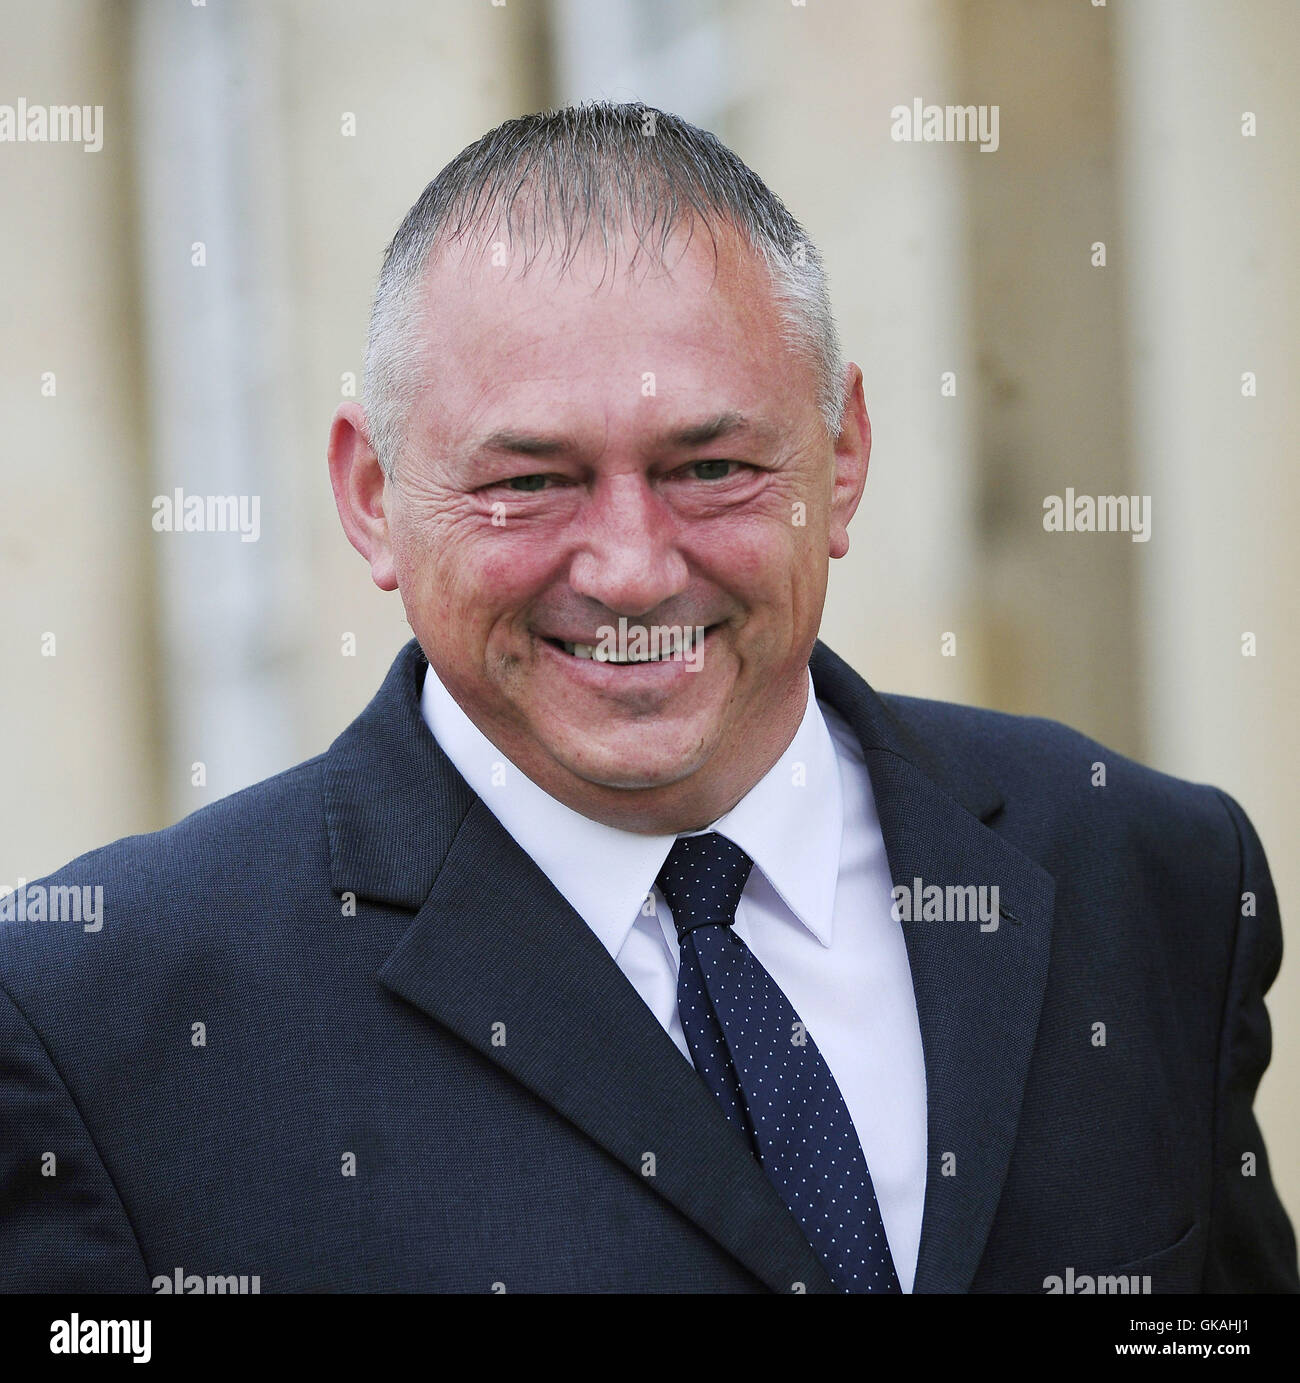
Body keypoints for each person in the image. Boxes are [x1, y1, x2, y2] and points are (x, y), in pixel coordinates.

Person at [1, 103, 1294, 1294]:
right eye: (532, 481)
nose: (630, 567)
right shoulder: (101, 1024)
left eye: (713, 465)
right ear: (369, 497)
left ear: (840, 461)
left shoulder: (1148, 875)